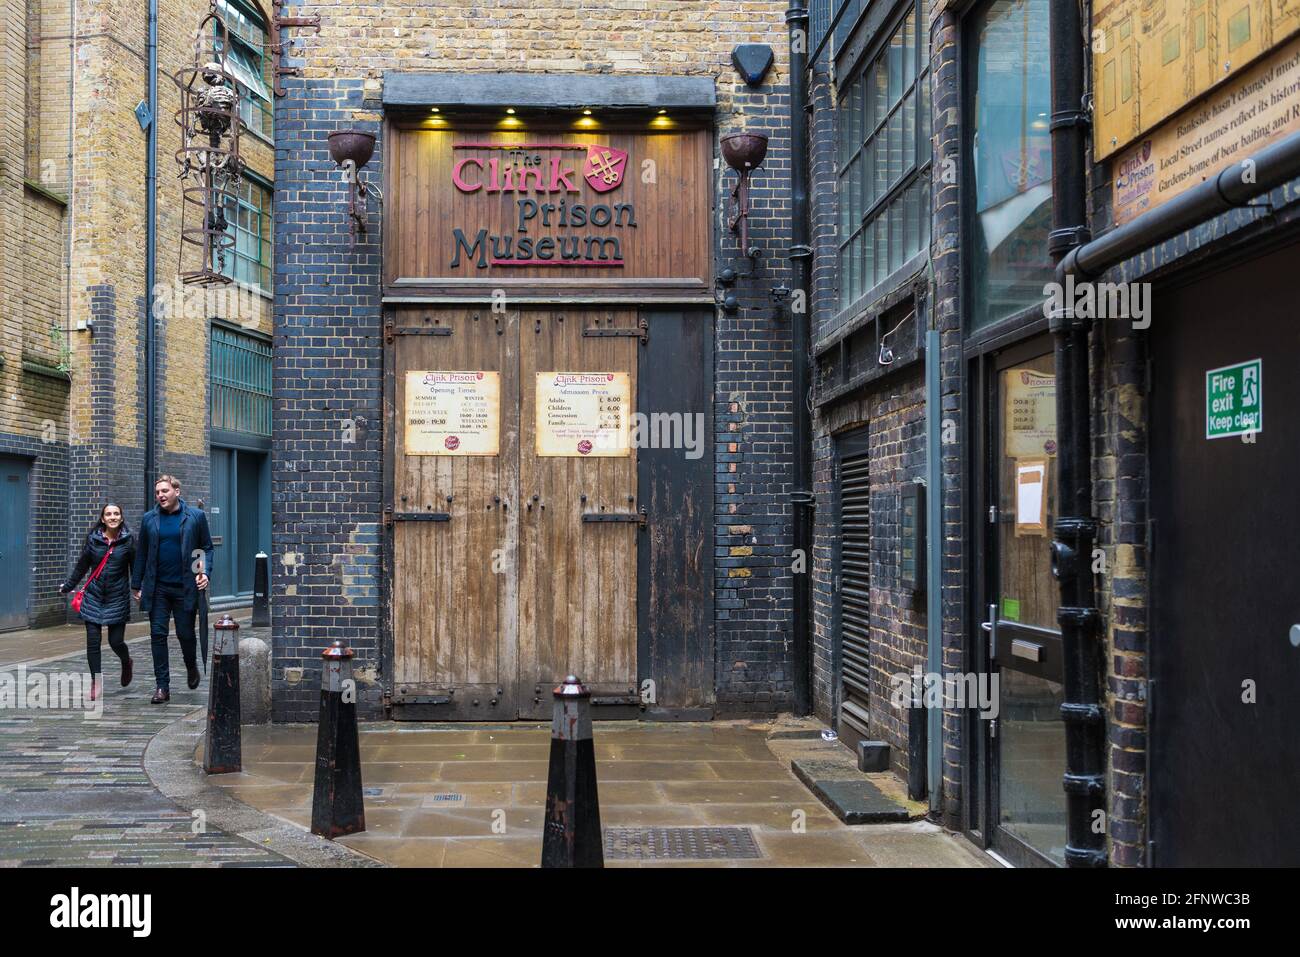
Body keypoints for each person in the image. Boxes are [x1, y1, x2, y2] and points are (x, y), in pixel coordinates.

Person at [132, 475, 214, 704]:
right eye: (157, 492)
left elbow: (206, 548)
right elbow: (142, 553)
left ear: (177, 491)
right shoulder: (149, 519)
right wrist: (136, 584)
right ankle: (162, 686)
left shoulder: (195, 517)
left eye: (165, 491)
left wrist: (204, 573)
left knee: (185, 634)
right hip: (157, 587)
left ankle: (191, 666)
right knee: (157, 635)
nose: (160, 495)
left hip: (184, 587)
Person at [60, 504, 136, 701]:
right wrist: (68, 586)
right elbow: (82, 566)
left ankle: (126, 661)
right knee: (93, 641)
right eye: (108, 514)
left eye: (116, 513)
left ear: (121, 517)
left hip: (117, 597)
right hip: (93, 596)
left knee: (115, 641)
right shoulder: (93, 540)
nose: (112, 517)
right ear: (102, 519)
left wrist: (138, 588)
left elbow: (135, 568)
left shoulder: (128, 541)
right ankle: (96, 681)